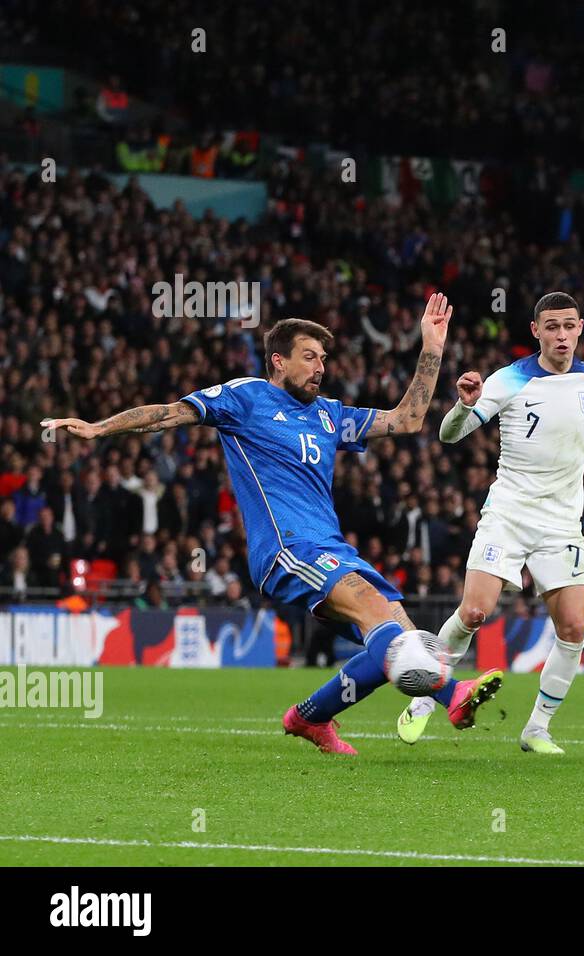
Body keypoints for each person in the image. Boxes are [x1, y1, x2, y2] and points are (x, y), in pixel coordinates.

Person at [42, 293, 503, 756]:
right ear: (278, 361)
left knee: (394, 636)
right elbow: (170, 414)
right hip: (286, 548)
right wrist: (101, 428)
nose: (320, 367)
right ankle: (454, 694)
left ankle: (309, 718)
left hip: (332, 548)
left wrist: (432, 347)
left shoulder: (329, 414)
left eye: (323, 358)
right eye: (309, 357)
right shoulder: (247, 398)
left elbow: (406, 420)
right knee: (375, 611)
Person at [396, 291, 584, 755]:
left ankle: (537, 728)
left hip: (561, 523)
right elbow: (449, 435)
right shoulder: (510, 379)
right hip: (508, 515)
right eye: (552, 326)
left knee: (574, 628)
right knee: (475, 612)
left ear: (581, 328)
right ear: (536, 331)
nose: (561, 335)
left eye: (569, 326)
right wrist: (464, 405)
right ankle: (424, 697)